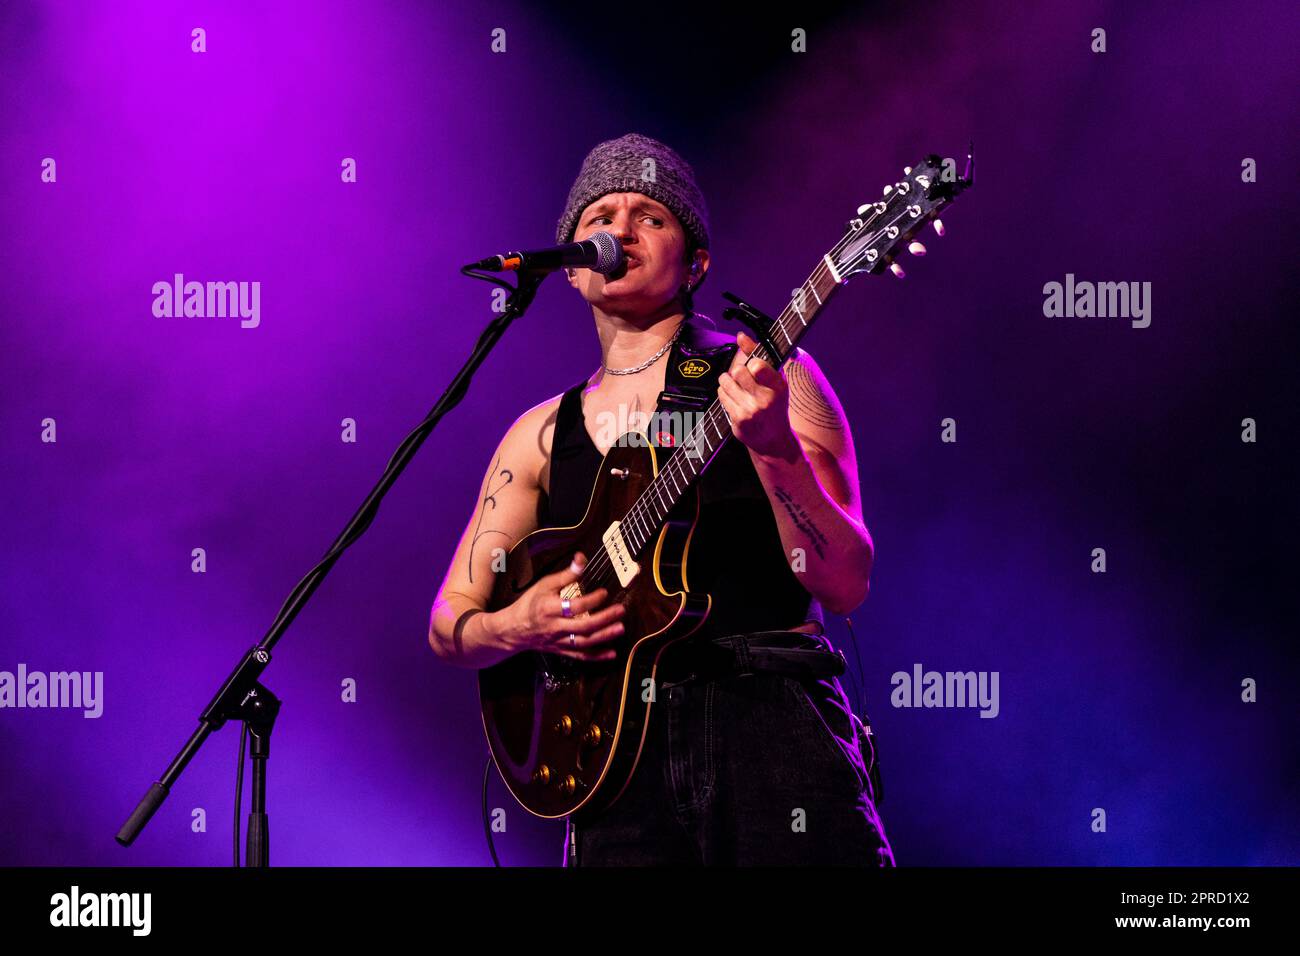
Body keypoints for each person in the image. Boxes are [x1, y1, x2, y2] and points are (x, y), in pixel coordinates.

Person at [429, 132, 894, 866]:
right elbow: (450, 619)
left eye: (649, 215)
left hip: (769, 724)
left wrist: (775, 446)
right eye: (599, 216)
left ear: (696, 261)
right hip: (616, 763)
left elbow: (846, 580)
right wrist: (521, 622)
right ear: (572, 271)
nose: (618, 229)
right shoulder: (542, 434)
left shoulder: (775, 373)